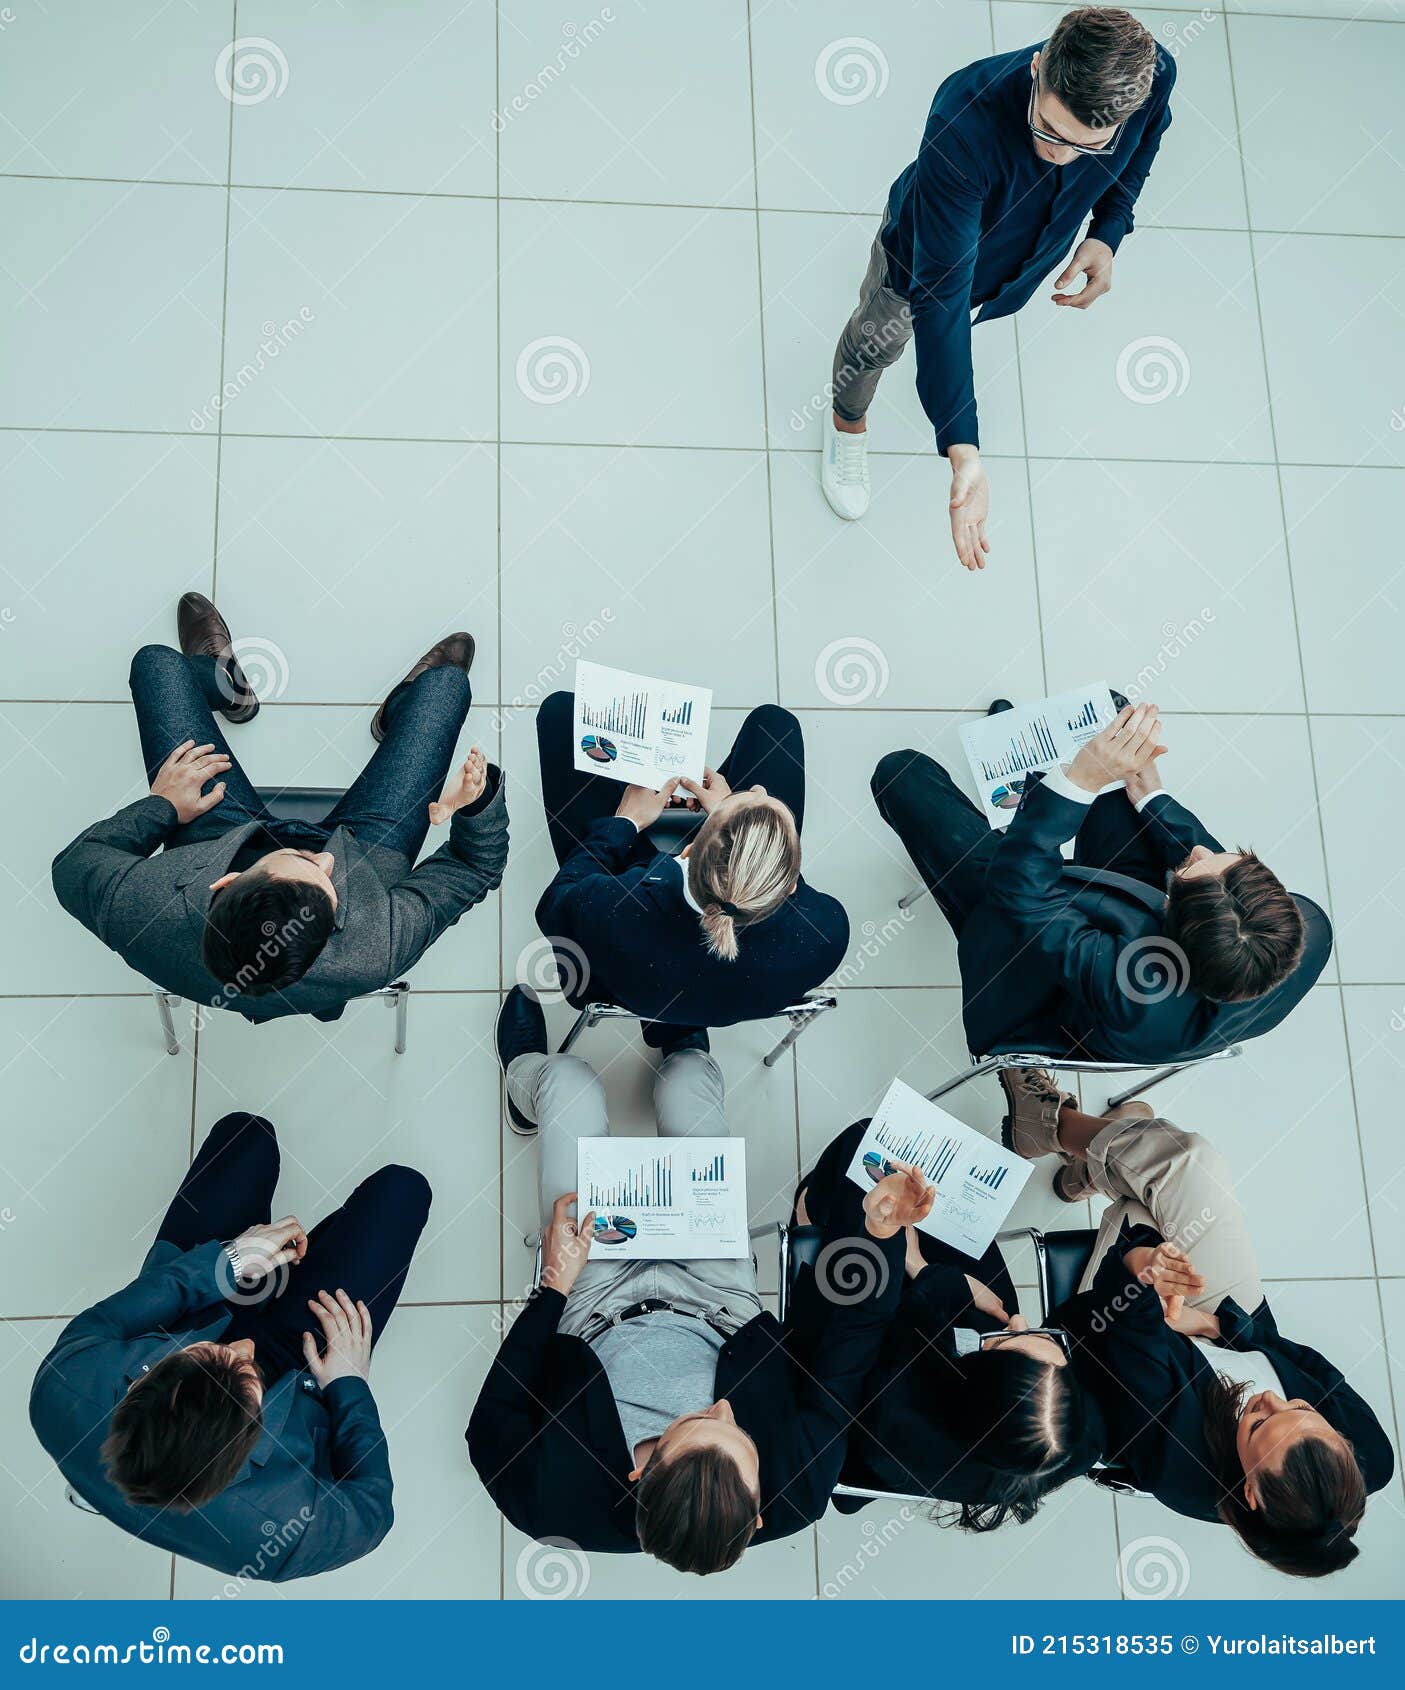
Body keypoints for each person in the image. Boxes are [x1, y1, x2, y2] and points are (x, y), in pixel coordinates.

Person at [467, 988, 931, 1571]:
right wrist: (879, 1235)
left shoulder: (547, 1506)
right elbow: (851, 1347)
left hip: (588, 1303)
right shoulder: (800, 1490)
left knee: (569, 1082)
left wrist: (554, 1286)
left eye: (694, 1422)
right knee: (689, 1077)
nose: (725, 1409)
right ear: (759, 1513)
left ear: (639, 1472)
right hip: (720, 1300)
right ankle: (679, 1038)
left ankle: (524, 1083)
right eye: (742, 1435)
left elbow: (496, 1412)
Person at [820, 8, 1174, 570]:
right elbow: (942, 293)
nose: (1061, 154)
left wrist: (1107, 231)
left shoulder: (1153, 76)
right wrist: (964, 452)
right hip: (921, 258)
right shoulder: (963, 118)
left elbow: (1145, 144)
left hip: (1015, 260)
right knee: (874, 341)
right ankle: (846, 422)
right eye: (1049, 129)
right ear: (1037, 68)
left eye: (1088, 146)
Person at [52, 593, 508, 1023]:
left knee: (156, 664)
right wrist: (475, 803)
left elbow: (72, 864)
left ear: (226, 883)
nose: (327, 859)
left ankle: (227, 683)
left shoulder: (141, 912)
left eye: (307, 861)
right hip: (368, 851)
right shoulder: (375, 947)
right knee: (446, 687)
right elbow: (476, 866)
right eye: (329, 889)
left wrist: (163, 806)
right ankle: (400, 708)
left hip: (215, 833)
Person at [29, 1111, 431, 1582]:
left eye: (205, 1355)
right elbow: (373, 1510)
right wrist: (348, 1385)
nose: (244, 1345)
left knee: (246, 1134)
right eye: (245, 1376)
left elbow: (108, 1319)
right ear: (247, 1445)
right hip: (303, 1370)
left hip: (190, 1310)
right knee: (403, 1191)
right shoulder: (287, 1537)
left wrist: (228, 1261)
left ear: (142, 1381)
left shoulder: (62, 1386)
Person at [1029, 1089, 1396, 1577]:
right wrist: (1216, 1326)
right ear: (1345, 1446)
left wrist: (1144, 1264)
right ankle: (1097, 1159)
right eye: (1303, 1409)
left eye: (1259, 1425)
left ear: (1250, 1491)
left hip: (1117, 1331)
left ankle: (1055, 1129)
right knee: (1192, 1161)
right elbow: (1310, 1365)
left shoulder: (1180, 1459)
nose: (1270, 1399)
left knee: (1144, 1210)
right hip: (1227, 1328)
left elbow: (1124, 1324)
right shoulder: (1373, 1456)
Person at [873, 701, 1331, 1065]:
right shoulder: (1305, 928)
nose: (1199, 851)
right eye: (1230, 858)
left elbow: (1021, 891)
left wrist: (1079, 782)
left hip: (1034, 950)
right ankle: (1027, 761)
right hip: (1129, 916)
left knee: (902, 775)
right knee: (1115, 719)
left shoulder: (1135, 991)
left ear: (1173, 913)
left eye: (1187, 871)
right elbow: (1214, 879)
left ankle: (1042, 790)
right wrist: (1152, 794)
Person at [788, 1120, 1102, 1528]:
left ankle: (811, 1209)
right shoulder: (1072, 1442)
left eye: (1007, 1339)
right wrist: (932, 1274)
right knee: (952, 1214)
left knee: (864, 1147)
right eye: (1043, 1337)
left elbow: (863, 1324)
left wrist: (900, 1247)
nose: (1020, 1319)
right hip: (943, 1338)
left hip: (873, 1348)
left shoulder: (892, 1411)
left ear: (966, 1374)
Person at [532, 690, 847, 1049]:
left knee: (560, 713)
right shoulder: (825, 936)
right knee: (775, 724)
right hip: (721, 991)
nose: (759, 789)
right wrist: (731, 817)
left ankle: (671, 1027)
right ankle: (676, 1030)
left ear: (689, 849)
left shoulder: (606, 909)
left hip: (626, 976)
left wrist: (625, 822)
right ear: (788, 884)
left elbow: (556, 902)